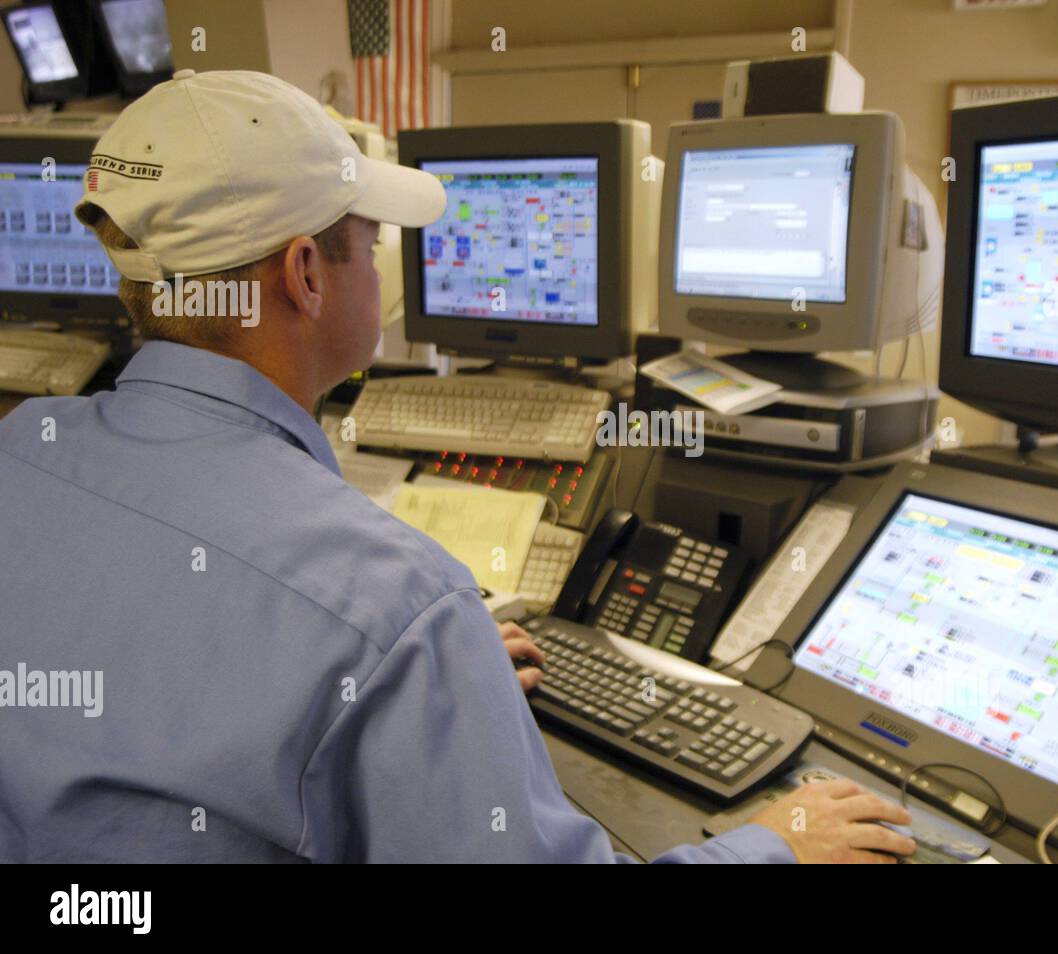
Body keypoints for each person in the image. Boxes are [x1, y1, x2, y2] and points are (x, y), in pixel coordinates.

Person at [0, 69, 916, 863]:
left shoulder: (22, 450)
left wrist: (431, 691)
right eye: (371, 240)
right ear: (307, 274)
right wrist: (778, 844)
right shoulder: (398, 602)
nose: (385, 268)